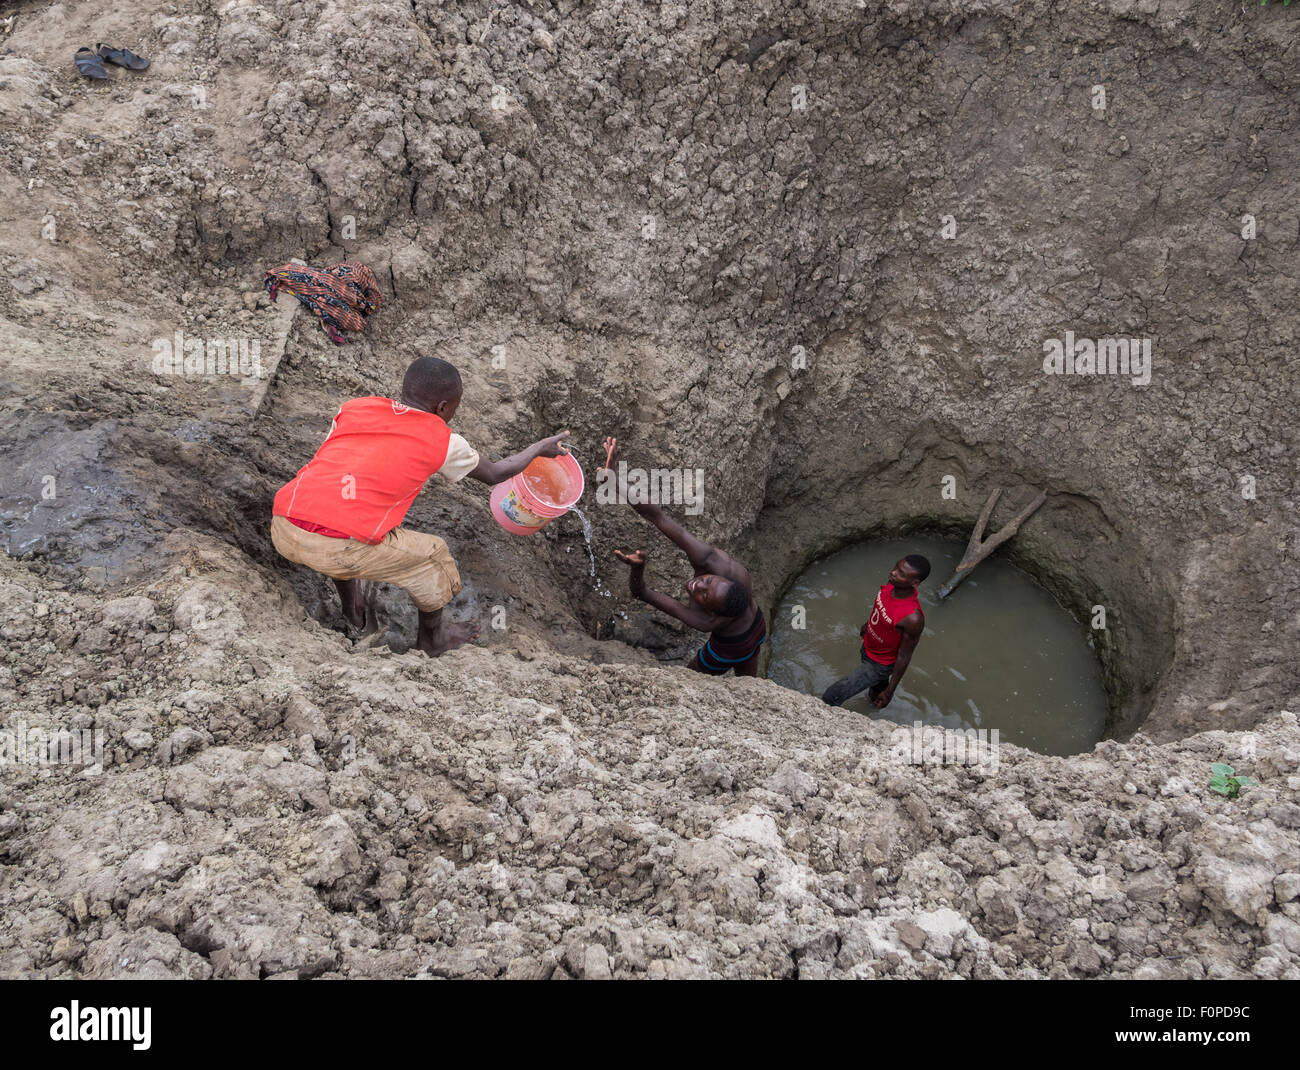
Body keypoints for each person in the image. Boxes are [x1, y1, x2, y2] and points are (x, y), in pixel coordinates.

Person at [270, 355, 569, 656]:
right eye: (455, 406)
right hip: (337, 549)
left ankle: (353, 608)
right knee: (434, 556)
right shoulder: (443, 441)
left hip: (284, 525)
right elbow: (495, 474)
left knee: (344, 509)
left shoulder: (356, 408)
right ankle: (432, 640)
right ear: (442, 408)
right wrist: (538, 449)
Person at [602, 438, 765, 676]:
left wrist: (638, 569)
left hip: (731, 646)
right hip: (758, 627)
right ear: (723, 577)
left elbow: (642, 593)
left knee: (693, 675)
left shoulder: (705, 621)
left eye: (703, 595)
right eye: (707, 581)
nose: (696, 585)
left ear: (711, 611)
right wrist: (616, 480)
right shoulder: (710, 560)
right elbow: (657, 516)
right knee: (750, 677)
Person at [822, 555, 930, 709]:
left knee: (831, 696)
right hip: (868, 646)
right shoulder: (892, 585)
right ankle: (872, 705)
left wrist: (890, 691)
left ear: (915, 583)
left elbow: (904, 656)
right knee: (877, 691)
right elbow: (883, 606)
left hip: (879, 664)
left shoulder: (912, 618)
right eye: (896, 567)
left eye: (901, 573)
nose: (893, 573)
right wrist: (868, 625)